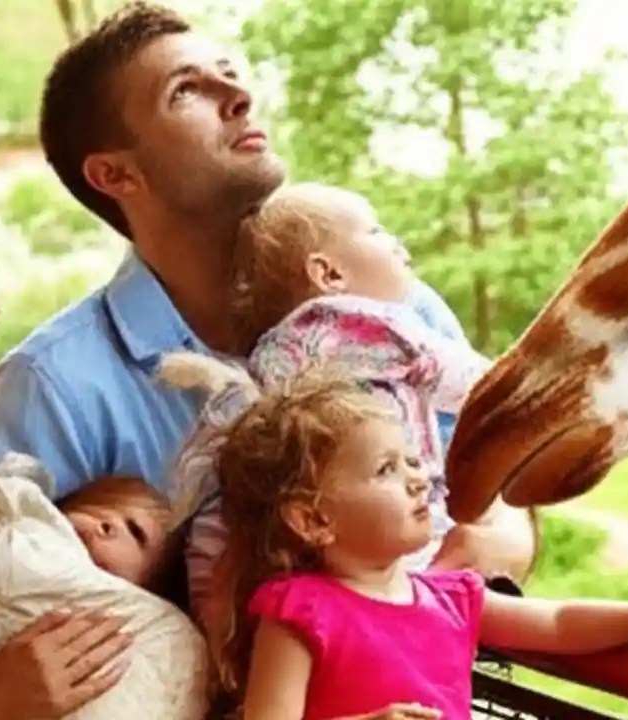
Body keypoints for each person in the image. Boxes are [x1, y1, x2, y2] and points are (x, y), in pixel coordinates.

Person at [0, 4, 534, 717]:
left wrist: (484, 551)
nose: (239, 97)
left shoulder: (393, 306)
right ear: (115, 174)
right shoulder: (52, 386)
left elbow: (502, 501)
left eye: (231, 75)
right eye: (186, 91)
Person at [196, 368, 628, 719]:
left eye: (412, 460)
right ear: (313, 519)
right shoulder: (300, 612)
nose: (417, 478)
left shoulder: (453, 596)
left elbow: (557, 624)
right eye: (386, 469)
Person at [171, 181, 493, 622]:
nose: (396, 243)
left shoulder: (269, 354)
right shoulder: (373, 324)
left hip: (317, 542)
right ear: (329, 275)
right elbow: (482, 388)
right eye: (377, 232)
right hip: (389, 524)